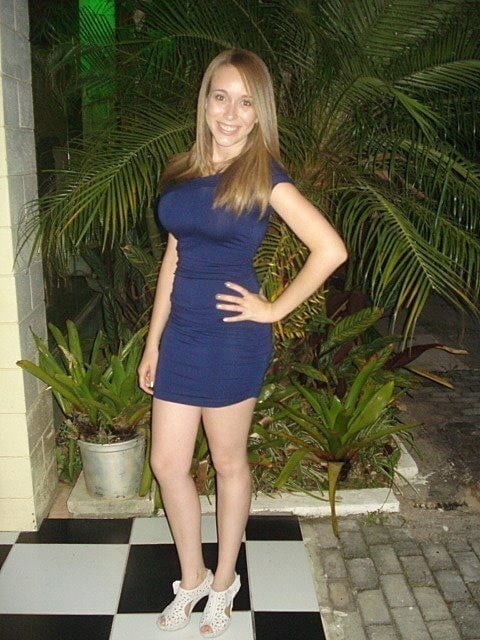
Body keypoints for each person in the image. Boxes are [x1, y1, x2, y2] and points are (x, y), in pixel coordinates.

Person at [137, 48, 348, 638]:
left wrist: (274, 308)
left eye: (246, 102)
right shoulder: (182, 170)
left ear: (260, 113)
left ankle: (225, 579)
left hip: (233, 339)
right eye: (221, 97)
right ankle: (193, 577)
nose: (231, 114)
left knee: (228, 462)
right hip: (182, 336)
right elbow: (174, 257)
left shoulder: (264, 176)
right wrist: (154, 343)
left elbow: (330, 249)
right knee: (167, 463)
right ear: (205, 101)